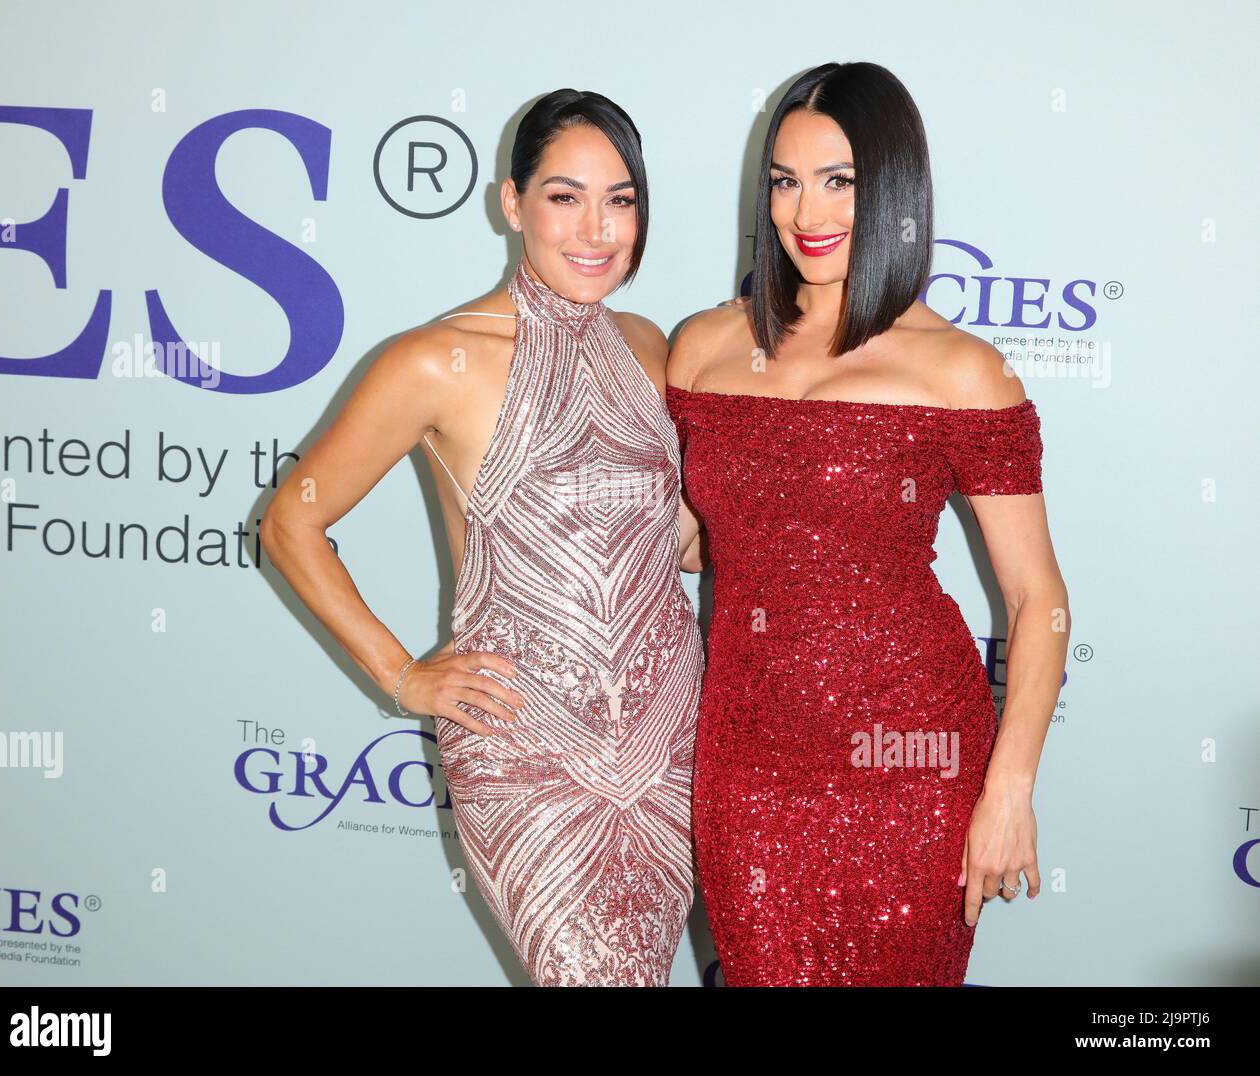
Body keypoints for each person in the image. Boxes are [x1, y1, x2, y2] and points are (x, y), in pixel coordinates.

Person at [262, 90, 704, 986]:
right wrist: (400, 674)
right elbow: (290, 520)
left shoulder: (650, 345)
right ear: (512, 204)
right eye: (563, 196)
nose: (596, 228)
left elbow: (675, 540)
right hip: (525, 746)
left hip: (670, 739)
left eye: (620, 199)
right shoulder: (431, 358)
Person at [666, 61, 1069, 986]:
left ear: (894, 188)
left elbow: (1036, 595)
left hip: (912, 761)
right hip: (747, 761)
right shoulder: (704, 348)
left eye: (839, 180)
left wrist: (1008, 788)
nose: (806, 211)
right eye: (785, 180)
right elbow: (697, 535)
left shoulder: (960, 370)